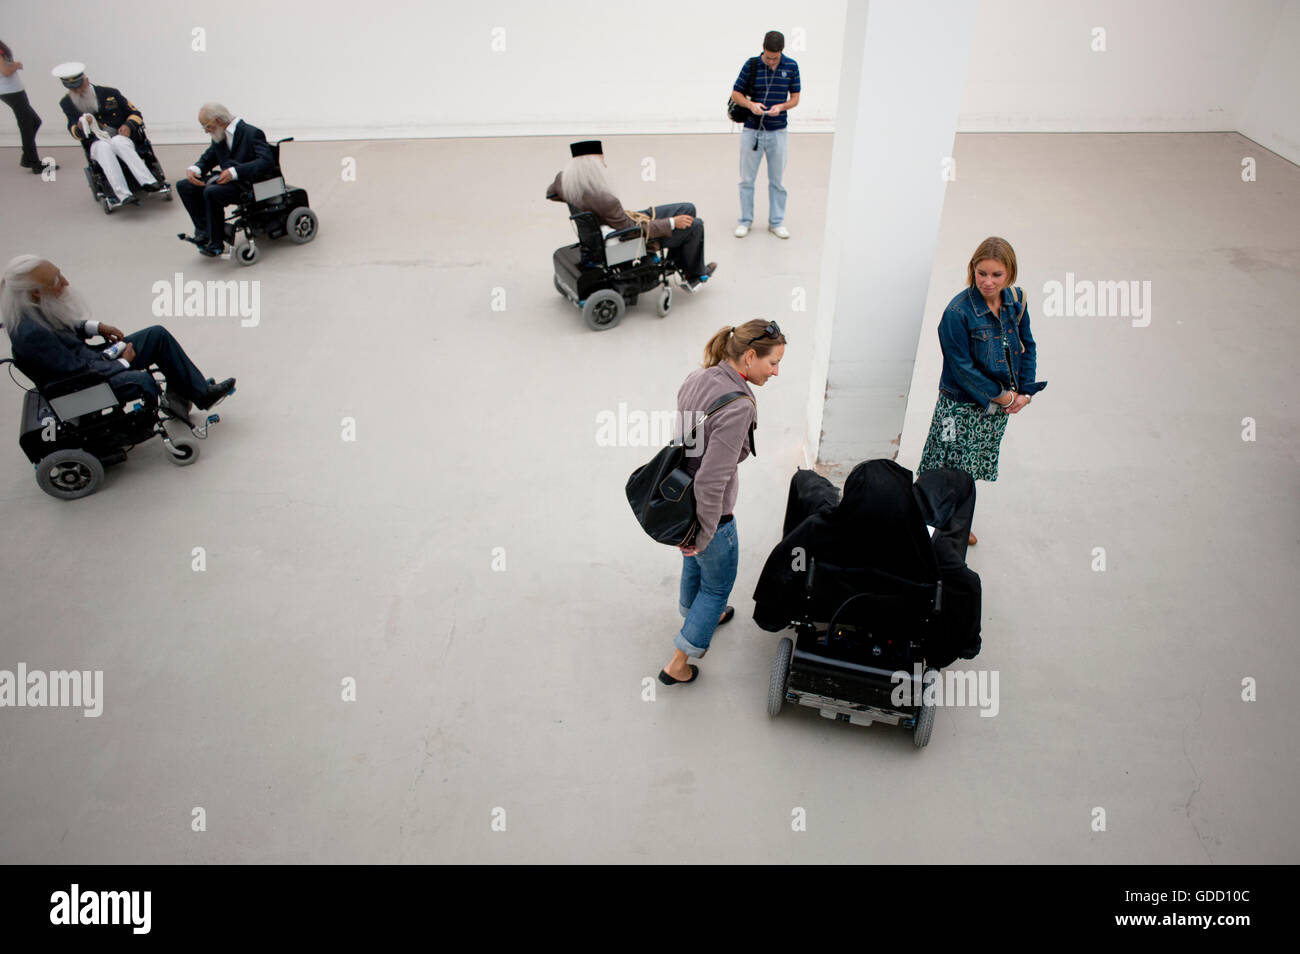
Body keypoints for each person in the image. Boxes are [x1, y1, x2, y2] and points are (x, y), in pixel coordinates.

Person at [659, 319, 786, 686]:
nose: (776, 372)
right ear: (749, 356)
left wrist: (689, 534)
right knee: (716, 588)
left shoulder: (697, 377)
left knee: (694, 564)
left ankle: (694, 613)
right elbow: (713, 479)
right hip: (712, 514)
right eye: (773, 363)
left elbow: (687, 443)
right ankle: (678, 663)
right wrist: (704, 531)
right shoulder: (739, 406)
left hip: (682, 501)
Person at [917, 237, 1046, 545]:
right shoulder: (957, 313)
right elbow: (962, 369)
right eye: (981, 273)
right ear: (972, 270)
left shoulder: (1016, 301)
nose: (988, 281)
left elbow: (1027, 346)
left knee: (969, 467)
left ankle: (956, 523)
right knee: (944, 466)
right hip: (960, 405)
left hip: (995, 406)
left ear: (1010, 274)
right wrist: (1004, 397)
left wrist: (1025, 392)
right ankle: (928, 527)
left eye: (996, 275)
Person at [1, 255, 235, 416]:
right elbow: (75, 372)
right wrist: (124, 362)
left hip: (90, 362)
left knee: (156, 335)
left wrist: (95, 327)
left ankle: (199, 393)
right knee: (142, 381)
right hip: (83, 382)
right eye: (56, 281)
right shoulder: (30, 333)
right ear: (34, 294)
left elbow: (64, 330)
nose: (65, 283)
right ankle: (175, 398)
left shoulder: (32, 309)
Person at [547, 140, 717, 291]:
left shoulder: (563, 180)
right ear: (591, 168)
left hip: (614, 223)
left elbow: (552, 194)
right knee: (695, 225)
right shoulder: (604, 199)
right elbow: (632, 231)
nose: (604, 166)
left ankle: (681, 261)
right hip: (625, 236)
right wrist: (672, 223)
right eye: (601, 162)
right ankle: (693, 274)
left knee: (688, 208)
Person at [52, 63, 165, 208]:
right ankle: (123, 194)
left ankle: (148, 182)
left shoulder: (110, 93)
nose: (78, 91)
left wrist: (128, 125)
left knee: (119, 142)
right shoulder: (67, 103)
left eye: (80, 87)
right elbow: (72, 128)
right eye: (73, 89)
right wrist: (80, 127)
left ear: (86, 80)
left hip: (121, 135)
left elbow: (135, 113)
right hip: (96, 141)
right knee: (104, 148)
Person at [176, 103, 276, 257]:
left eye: (207, 126)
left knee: (211, 192)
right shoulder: (219, 134)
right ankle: (204, 231)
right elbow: (210, 156)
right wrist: (196, 168)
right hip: (226, 181)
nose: (206, 131)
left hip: (246, 184)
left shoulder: (252, 133)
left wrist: (235, 172)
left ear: (218, 120)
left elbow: (266, 162)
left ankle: (215, 243)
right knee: (184, 186)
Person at [730, 30, 800, 239]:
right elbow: (736, 93)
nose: (770, 61)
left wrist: (782, 106)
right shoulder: (751, 65)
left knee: (777, 181)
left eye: (775, 58)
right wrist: (751, 105)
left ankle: (777, 222)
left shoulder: (792, 66)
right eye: (768, 57)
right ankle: (745, 221)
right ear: (763, 49)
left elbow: (795, 98)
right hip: (752, 130)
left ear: (782, 52)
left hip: (778, 131)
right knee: (746, 180)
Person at [1, 38, 48, 174]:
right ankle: (34, 163)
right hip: (11, 92)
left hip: (13, 91)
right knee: (26, 125)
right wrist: (16, 65)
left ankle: (28, 157)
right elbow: (5, 71)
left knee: (34, 122)